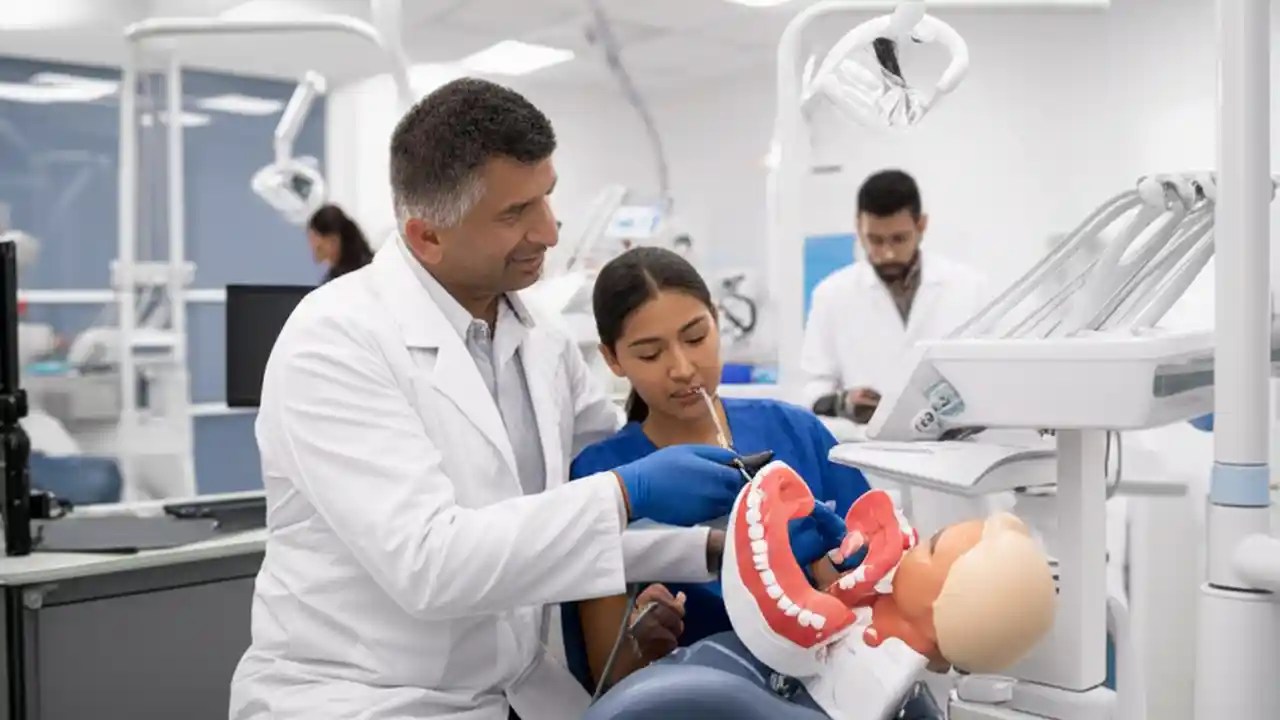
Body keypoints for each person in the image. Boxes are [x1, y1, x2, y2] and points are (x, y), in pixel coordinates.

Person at [228, 78, 804, 720]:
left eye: (547, 197)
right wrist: (627, 492)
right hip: (369, 700)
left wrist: (716, 548)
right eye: (514, 214)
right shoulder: (333, 342)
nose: (550, 232)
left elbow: (566, 529)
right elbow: (432, 564)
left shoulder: (544, 342)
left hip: (518, 693)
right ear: (427, 237)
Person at [562, 246, 870, 693]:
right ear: (612, 360)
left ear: (717, 318)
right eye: (650, 355)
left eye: (695, 337)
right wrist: (642, 643)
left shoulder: (796, 431)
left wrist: (833, 575)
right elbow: (611, 681)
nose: (683, 369)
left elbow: (877, 580)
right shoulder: (605, 476)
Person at [800, 169, 989, 424]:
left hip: (953, 448)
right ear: (859, 227)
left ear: (921, 225)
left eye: (899, 239)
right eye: (875, 240)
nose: (887, 253)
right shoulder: (831, 294)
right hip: (866, 448)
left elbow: (990, 377)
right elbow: (813, 386)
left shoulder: (968, 287)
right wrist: (841, 403)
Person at [306, 203, 374, 282]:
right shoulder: (333, 279)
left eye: (319, 247)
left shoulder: (365, 273)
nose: (312, 246)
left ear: (333, 240)